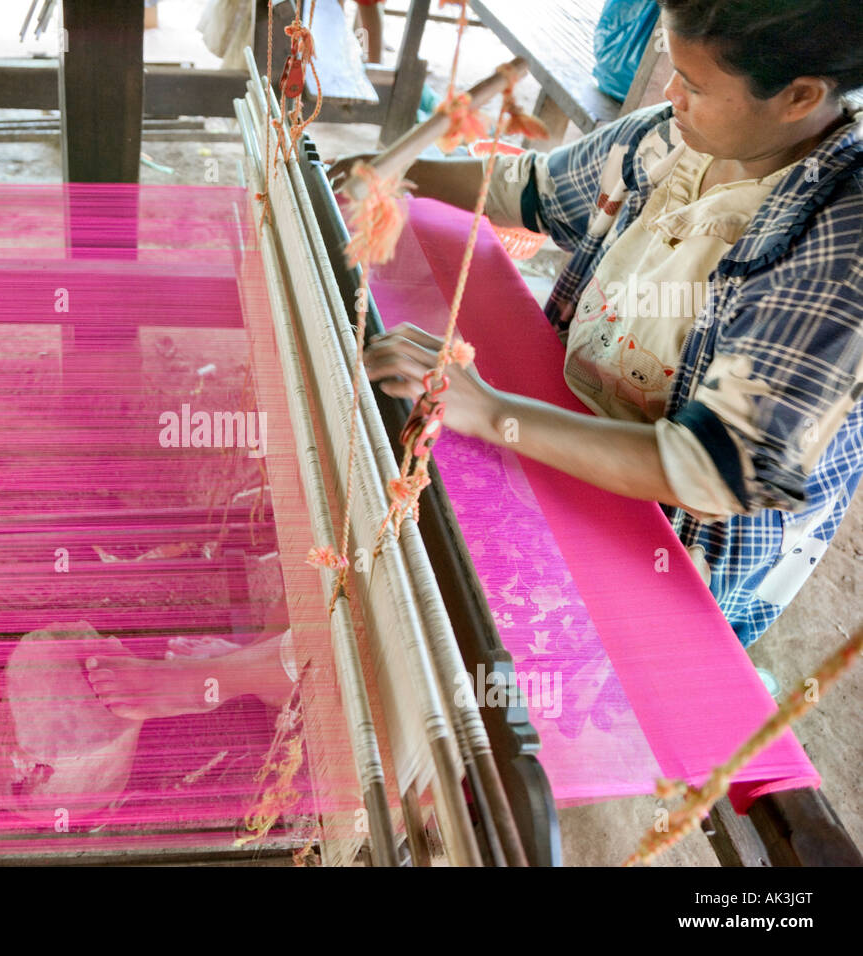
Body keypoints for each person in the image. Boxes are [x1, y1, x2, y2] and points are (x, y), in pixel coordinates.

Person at [331, 0, 863, 647]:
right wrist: (393, 174)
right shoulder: (669, 141)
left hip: (675, 530)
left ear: (800, 95)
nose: (671, 94)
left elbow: (709, 469)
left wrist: (493, 412)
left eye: (694, 85)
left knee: (574, 661)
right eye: (675, 70)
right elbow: (528, 191)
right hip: (576, 414)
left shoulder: (835, 249)